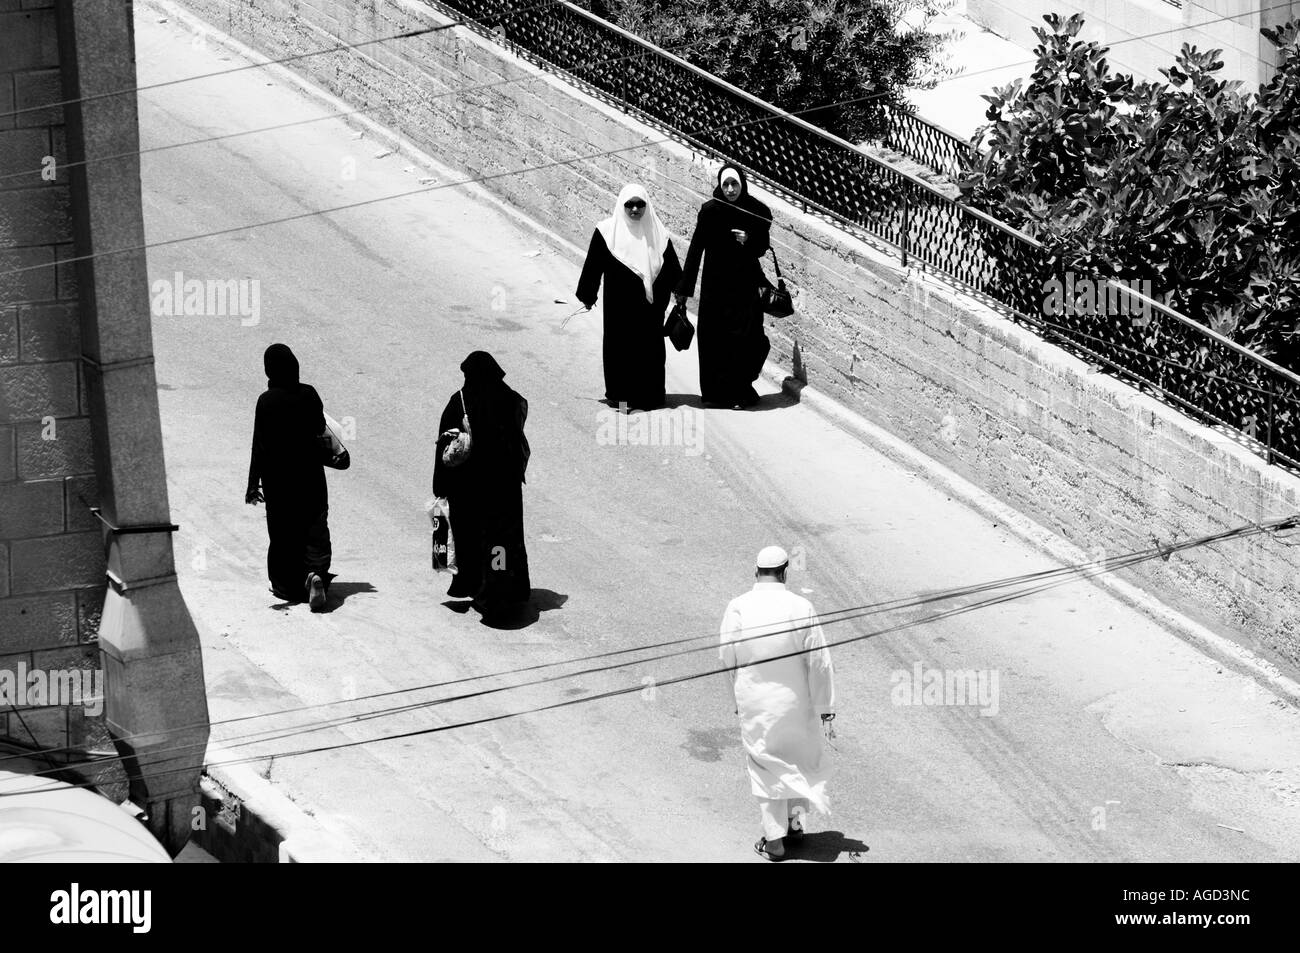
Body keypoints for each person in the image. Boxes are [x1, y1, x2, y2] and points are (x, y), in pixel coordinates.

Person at [719, 545, 836, 861]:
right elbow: (819, 660)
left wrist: (736, 699)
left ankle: (774, 842)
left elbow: (726, 655)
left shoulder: (738, 606)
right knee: (796, 760)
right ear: (785, 573)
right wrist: (825, 708)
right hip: (796, 704)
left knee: (765, 766)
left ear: (755, 571)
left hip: (756, 703)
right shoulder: (801, 606)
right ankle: (795, 824)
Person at [432, 351, 531, 618]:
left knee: (473, 539)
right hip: (504, 487)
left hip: (469, 489)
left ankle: (482, 589)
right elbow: (516, 440)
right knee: (501, 542)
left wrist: (440, 485)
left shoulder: (460, 401)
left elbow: (445, 446)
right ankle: (504, 590)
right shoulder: (510, 399)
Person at [575, 182, 683, 410]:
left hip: (649, 309)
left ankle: (650, 398)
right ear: (622, 205)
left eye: (640, 204)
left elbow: (672, 269)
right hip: (619, 308)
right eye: (630, 205)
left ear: (647, 206)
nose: (635, 210)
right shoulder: (606, 232)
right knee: (620, 352)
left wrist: (679, 295)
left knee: (649, 353)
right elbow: (593, 265)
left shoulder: (658, 234)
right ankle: (622, 400)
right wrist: (588, 294)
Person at [245, 343, 335, 610]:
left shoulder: (266, 401)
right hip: (310, 476)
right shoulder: (309, 394)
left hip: (279, 481)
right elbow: (321, 427)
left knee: (284, 533)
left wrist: (252, 484)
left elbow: (258, 445)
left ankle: (288, 586)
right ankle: (315, 574)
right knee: (314, 528)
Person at [674, 165, 773, 408]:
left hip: (745, 287)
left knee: (746, 339)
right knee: (714, 340)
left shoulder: (757, 211)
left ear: (743, 185)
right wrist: (684, 289)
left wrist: (748, 240)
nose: (730, 189)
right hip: (715, 288)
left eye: (734, 184)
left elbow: (763, 247)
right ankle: (715, 395)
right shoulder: (710, 211)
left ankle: (740, 392)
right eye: (726, 184)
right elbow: (696, 249)